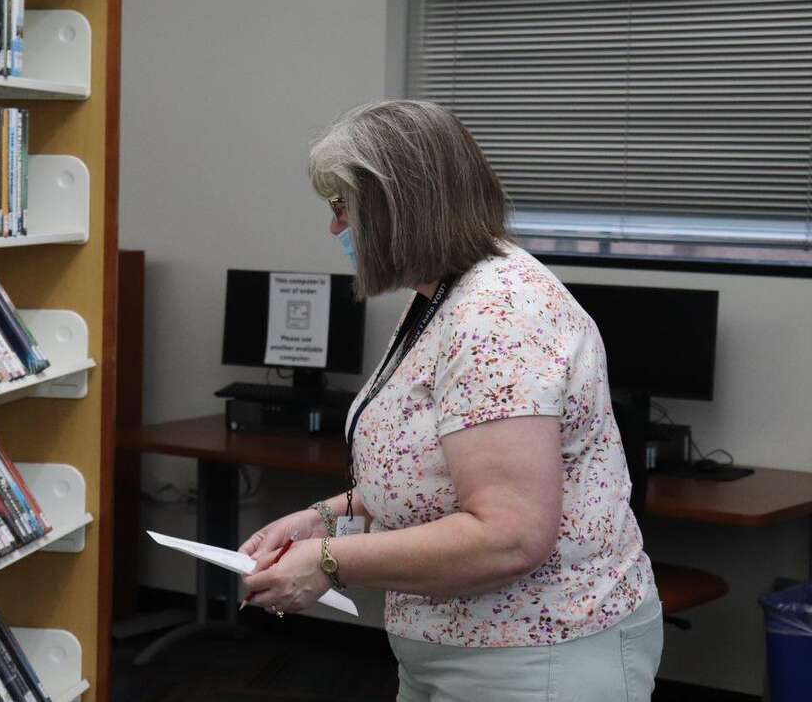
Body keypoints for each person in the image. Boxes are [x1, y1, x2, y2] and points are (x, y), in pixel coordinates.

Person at [239, 100, 663, 701]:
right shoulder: (441, 297)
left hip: (537, 657)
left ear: (396, 206)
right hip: (456, 650)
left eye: (342, 208)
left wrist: (328, 561)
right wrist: (325, 517)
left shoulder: (500, 313)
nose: (335, 228)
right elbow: (433, 467)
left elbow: (509, 534)